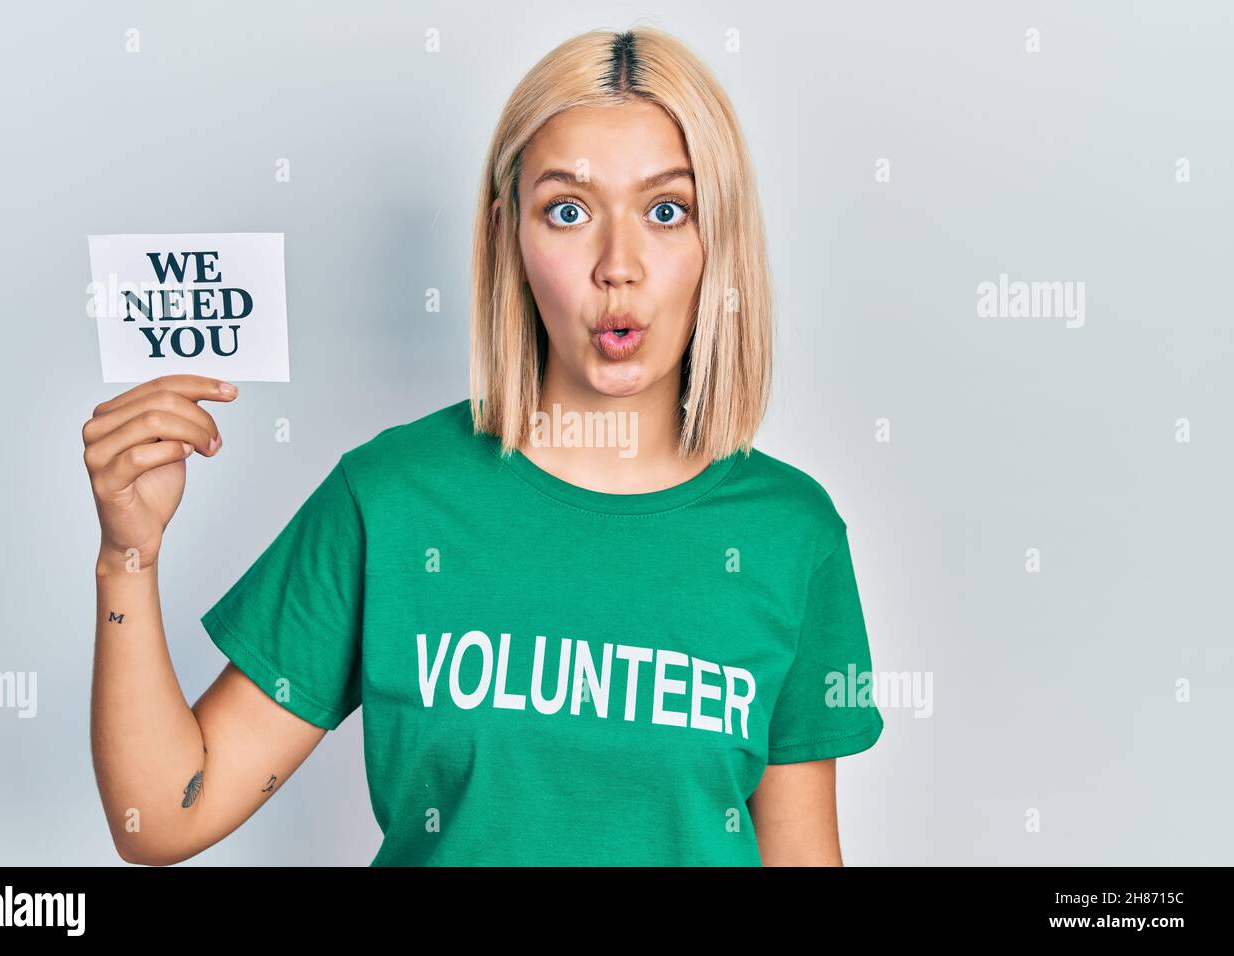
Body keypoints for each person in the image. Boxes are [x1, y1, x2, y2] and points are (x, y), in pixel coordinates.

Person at [85, 26, 883, 867]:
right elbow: (162, 816)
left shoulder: (790, 534)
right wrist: (126, 557)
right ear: (510, 236)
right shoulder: (390, 499)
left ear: (718, 236)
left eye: (665, 211)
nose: (618, 266)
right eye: (569, 211)